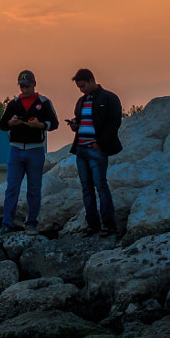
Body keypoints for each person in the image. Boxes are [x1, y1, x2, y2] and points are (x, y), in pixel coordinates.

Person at [0, 70, 59, 236]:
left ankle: (31, 223)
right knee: (12, 188)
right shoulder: (13, 103)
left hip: (35, 151)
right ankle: (7, 224)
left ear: (34, 84)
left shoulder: (44, 102)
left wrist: (39, 125)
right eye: (21, 86)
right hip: (16, 150)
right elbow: (2, 124)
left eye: (26, 85)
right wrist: (12, 122)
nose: (23, 89)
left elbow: (54, 123)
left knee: (34, 189)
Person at [66, 68, 123, 237]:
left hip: (96, 150)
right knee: (86, 189)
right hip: (81, 150)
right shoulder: (81, 101)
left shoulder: (109, 98)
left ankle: (108, 224)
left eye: (83, 86)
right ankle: (92, 224)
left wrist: (101, 143)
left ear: (92, 80)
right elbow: (83, 121)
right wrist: (75, 125)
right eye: (79, 87)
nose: (81, 89)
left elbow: (114, 124)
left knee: (101, 186)